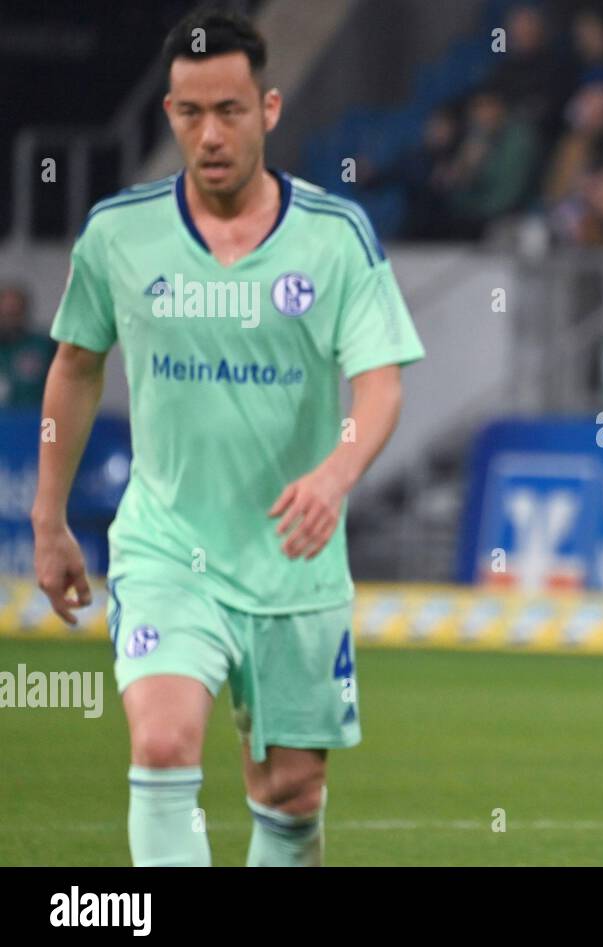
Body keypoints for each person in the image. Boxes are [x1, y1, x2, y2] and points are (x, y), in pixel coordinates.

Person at [29, 8, 425, 866]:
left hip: (294, 564)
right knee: (163, 743)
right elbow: (76, 364)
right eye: (190, 112)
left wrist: (335, 474)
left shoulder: (334, 235)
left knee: (290, 794)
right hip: (168, 549)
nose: (209, 134)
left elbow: (381, 382)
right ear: (168, 113)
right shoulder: (119, 234)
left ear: (269, 109)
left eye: (229, 111)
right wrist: (49, 517)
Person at [0, 284, 55, 408]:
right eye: (5, 313)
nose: (9, 320)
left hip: (36, 416)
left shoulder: (44, 345)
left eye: (14, 313)